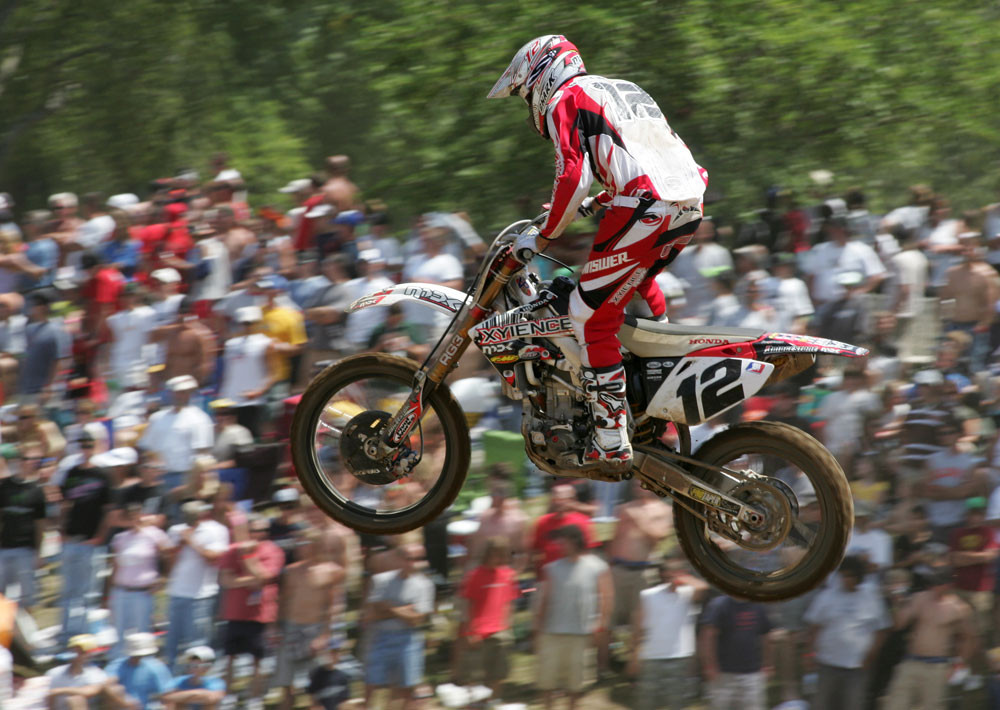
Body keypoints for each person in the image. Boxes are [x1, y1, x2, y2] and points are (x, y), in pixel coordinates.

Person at [489, 34, 708, 468]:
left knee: (589, 315)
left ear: (541, 75)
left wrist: (544, 235)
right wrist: (596, 204)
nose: (529, 103)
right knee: (636, 280)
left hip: (646, 206)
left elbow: (573, 175)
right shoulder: (622, 89)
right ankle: (657, 378)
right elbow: (646, 158)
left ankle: (609, 437)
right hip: (690, 202)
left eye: (524, 94)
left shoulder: (563, 99)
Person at [534, 524, 612, 710]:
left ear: (575, 541)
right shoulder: (551, 568)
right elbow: (544, 599)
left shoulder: (597, 566)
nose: (558, 544)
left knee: (576, 681)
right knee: (547, 679)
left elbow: (606, 597)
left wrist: (600, 625)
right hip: (551, 632)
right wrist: (537, 628)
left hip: (581, 633)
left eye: (562, 539)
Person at [803, 555, 890, 710]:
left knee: (853, 705)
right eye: (843, 576)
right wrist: (809, 655)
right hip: (828, 664)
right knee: (821, 705)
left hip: (857, 667)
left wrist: (870, 656)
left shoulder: (872, 598)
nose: (845, 580)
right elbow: (814, 628)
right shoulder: (826, 597)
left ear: (859, 577)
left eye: (850, 576)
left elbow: (881, 631)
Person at [883, 567, 976, 710]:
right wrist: (897, 603)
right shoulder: (919, 598)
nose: (933, 587)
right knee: (894, 705)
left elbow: (968, 638)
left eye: (937, 584)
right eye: (932, 583)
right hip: (911, 662)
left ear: (947, 585)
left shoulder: (958, 608)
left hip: (937, 667)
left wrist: (959, 664)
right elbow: (899, 624)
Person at [603, 479, 672, 670]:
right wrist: (608, 567)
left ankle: (633, 669)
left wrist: (640, 520)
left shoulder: (663, 511)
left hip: (643, 572)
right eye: (634, 484)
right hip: (618, 570)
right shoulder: (624, 508)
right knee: (608, 620)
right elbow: (615, 539)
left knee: (638, 624)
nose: (637, 488)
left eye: (642, 484)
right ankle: (604, 665)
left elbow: (659, 537)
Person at [218, 514, 285, 710]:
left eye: (264, 531)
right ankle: (229, 697)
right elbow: (225, 581)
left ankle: (254, 700)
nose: (259, 534)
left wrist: (247, 557)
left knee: (259, 661)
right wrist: (250, 578)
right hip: (235, 613)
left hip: (260, 615)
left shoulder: (274, 551)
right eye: (255, 530)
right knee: (229, 658)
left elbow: (264, 577)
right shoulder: (232, 551)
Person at [274, 529, 344, 710]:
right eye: (298, 543)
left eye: (303, 543)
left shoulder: (332, 571)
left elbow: (331, 607)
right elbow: (283, 602)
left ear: (316, 546)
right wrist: (274, 628)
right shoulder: (291, 571)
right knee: (286, 685)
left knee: (317, 687)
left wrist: (324, 636)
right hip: (290, 629)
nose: (299, 547)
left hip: (315, 630)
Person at [627, 557, 707, 710]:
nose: (674, 577)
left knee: (677, 703)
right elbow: (638, 628)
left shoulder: (687, 593)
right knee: (647, 703)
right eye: (670, 573)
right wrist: (634, 656)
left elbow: (702, 588)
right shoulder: (648, 595)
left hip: (680, 657)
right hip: (653, 657)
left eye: (677, 573)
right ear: (662, 574)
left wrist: (683, 578)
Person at [364, 543, 435, 710]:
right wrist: (405, 609)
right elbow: (373, 614)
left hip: (408, 639)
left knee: (405, 688)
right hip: (380, 637)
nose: (412, 563)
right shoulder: (381, 580)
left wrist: (388, 608)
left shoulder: (425, 585)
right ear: (399, 559)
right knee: (371, 685)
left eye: (417, 559)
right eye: (408, 559)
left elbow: (417, 619)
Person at [165, 501, 231, 670]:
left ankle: (198, 680)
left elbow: (213, 557)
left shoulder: (216, 530)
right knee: (172, 644)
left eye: (192, 516)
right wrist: (180, 543)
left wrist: (192, 541)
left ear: (202, 514)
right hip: (177, 593)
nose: (188, 519)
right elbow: (168, 557)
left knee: (197, 645)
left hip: (200, 596)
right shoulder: (176, 530)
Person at [139, 374, 214, 515]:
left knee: (180, 519)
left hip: (185, 477)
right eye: (178, 392)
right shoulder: (157, 418)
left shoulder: (199, 418)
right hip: (159, 478)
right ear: (170, 392)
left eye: (185, 392)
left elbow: (203, 456)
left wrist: (191, 485)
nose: (181, 395)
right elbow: (147, 449)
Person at [456, 537, 520, 701]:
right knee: (475, 677)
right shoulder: (475, 575)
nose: (501, 559)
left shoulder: (508, 575)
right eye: (498, 555)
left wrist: (508, 626)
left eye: (504, 555)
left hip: (500, 633)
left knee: (497, 675)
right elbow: (469, 605)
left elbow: (509, 603)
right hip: (478, 634)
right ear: (489, 554)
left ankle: (492, 704)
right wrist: (471, 632)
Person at [108, 503, 171, 659]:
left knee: (143, 631)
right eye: (130, 516)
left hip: (142, 591)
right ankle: (118, 661)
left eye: (136, 514)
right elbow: (115, 566)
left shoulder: (154, 534)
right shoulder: (120, 538)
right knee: (119, 629)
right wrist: (108, 593)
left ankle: (144, 661)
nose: (133, 519)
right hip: (121, 589)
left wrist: (163, 577)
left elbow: (168, 554)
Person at [699, 593, 775, 710]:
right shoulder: (719, 605)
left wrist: (768, 664)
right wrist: (709, 665)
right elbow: (708, 636)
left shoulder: (759, 605)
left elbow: (766, 636)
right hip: (723, 674)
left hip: (752, 674)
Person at [0, 443, 48, 612]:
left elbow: (40, 524)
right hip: (4, 547)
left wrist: (39, 553)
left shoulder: (37, 490)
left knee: (28, 596)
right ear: (19, 461)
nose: (32, 463)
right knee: (1, 595)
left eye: (36, 460)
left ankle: (28, 632)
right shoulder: (4, 486)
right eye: (28, 459)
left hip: (26, 550)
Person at [104, 632, 174, 709]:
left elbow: (168, 695)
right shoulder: (118, 665)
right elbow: (107, 684)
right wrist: (124, 702)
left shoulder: (156, 668)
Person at [45, 634, 109, 710]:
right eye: (73, 651)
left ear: (89, 654)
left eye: (81, 652)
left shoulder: (96, 673)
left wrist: (60, 690)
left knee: (76, 699)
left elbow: (90, 691)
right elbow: (49, 699)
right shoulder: (53, 673)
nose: (75, 655)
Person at [161, 646, 226, 710]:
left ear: (208, 666)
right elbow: (165, 698)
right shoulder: (178, 681)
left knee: (210, 704)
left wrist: (180, 695)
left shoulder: (216, 682)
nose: (191, 668)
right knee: (175, 703)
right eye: (190, 665)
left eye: (196, 666)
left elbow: (212, 698)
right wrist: (200, 694)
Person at [308, 636, 352, 710]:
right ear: (323, 654)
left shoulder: (342, 676)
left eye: (337, 652)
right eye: (331, 652)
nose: (334, 655)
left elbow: (345, 702)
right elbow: (313, 702)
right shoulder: (316, 675)